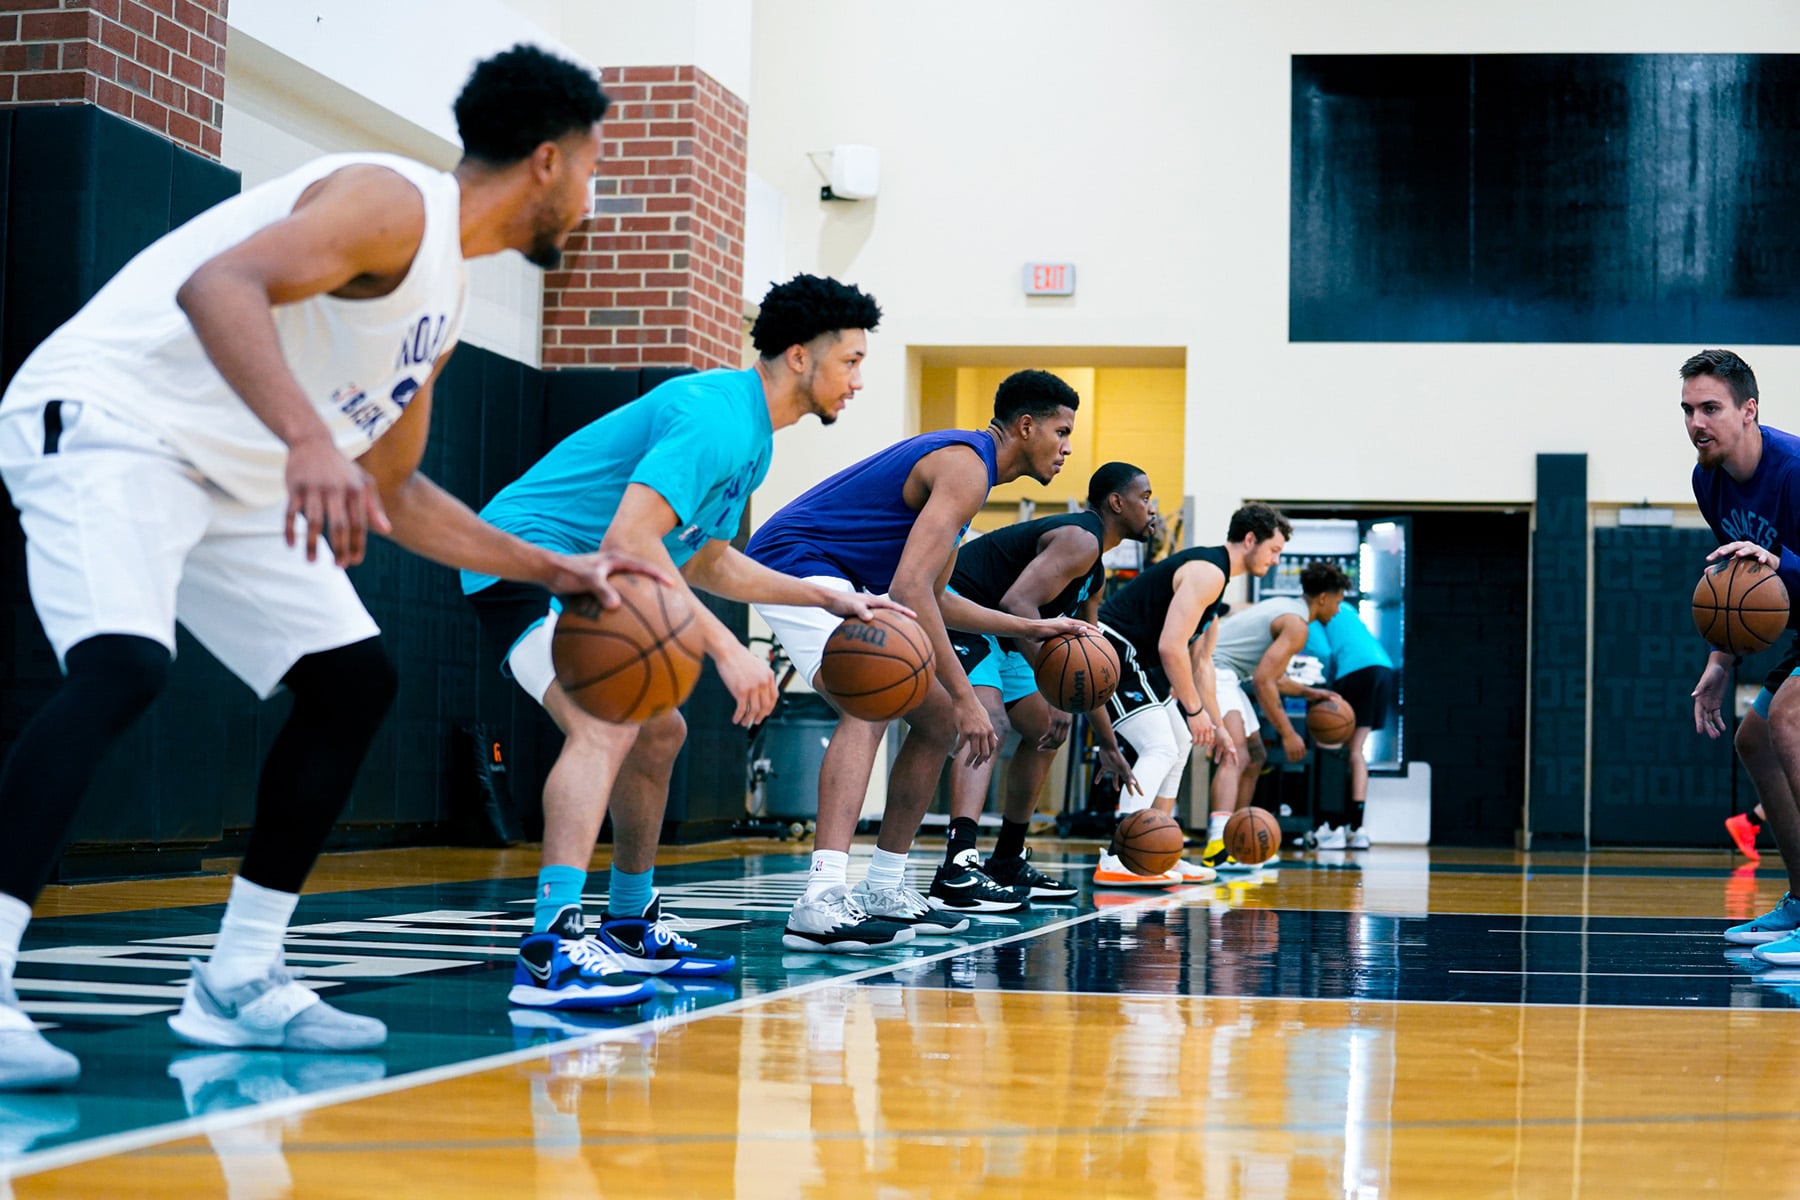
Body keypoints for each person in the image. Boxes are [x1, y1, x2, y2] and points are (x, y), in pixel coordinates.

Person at [0, 45, 675, 1089]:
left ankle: (238, 978)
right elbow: (218, 284)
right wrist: (312, 445)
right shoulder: (391, 200)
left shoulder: (440, 306)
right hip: (112, 424)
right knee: (123, 665)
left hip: (234, 468)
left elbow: (398, 495)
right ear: (549, 161)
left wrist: (556, 570)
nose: (591, 202)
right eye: (592, 172)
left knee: (352, 679)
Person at [464, 275, 913, 1008]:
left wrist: (820, 593)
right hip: (524, 560)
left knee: (660, 731)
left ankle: (629, 923)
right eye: (851, 361)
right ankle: (549, 949)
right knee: (605, 721)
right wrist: (727, 649)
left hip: (590, 569)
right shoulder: (715, 418)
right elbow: (634, 541)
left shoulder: (755, 440)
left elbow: (701, 558)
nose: (859, 380)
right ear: (799, 357)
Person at [747, 370, 1091, 952]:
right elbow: (909, 589)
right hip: (795, 563)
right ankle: (820, 898)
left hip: (846, 580)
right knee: (875, 695)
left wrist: (1030, 626)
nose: (1067, 446)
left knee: (934, 721)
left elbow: (937, 596)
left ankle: (884, 886)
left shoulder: (972, 475)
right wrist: (966, 696)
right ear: (1025, 426)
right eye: (1060, 431)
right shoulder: (966, 467)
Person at [934, 462, 1158, 904]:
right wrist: (1055, 689)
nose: (1152, 509)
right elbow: (1016, 601)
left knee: (1046, 732)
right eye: (1145, 497)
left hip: (1009, 630)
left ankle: (1007, 858)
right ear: (1117, 502)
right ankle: (957, 867)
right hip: (961, 609)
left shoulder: (1094, 573)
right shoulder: (1080, 540)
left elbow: (1088, 666)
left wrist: (1107, 743)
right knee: (990, 721)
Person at [1091, 503, 1290, 886]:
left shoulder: (1218, 587)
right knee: (1161, 746)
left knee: (1179, 741)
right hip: (1112, 651)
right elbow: (1171, 647)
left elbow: (1202, 665)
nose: (1276, 559)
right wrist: (1194, 710)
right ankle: (1118, 856)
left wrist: (1217, 727)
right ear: (1250, 540)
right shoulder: (1207, 571)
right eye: (1274, 549)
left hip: (1137, 662)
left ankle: (1159, 851)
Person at [1681, 349, 1800, 961]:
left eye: (1711, 408)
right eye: (1688, 410)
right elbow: (1736, 588)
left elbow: (1772, 572)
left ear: (1749, 409)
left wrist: (1785, 563)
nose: (1697, 422)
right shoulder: (1709, 481)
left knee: (1788, 720)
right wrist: (1718, 665)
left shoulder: (1795, 469)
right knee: (1753, 740)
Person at [1201, 561, 1348, 870]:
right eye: (1338, 600)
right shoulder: (1297, 624)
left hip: (1227, 673)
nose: (1338, 609)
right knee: (1234, 753)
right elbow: (1263, 682)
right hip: (1212, 670)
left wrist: (1310, 693)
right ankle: (1217, 844)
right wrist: (1288, 733)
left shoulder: (1286, 608)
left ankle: (1234, 841)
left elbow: (1273, 676)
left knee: (1255, 756)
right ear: (1323, 597)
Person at [1305, 603, 1396, 849]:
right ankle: (1356, 828)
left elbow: (1323, 652)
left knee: (1330, 747)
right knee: (1356, 751)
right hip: (1383, 669)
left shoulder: (1310, 611)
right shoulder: (1345, 607)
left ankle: (1330, 826)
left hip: (1353, 672)